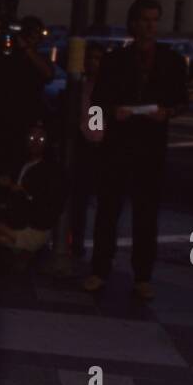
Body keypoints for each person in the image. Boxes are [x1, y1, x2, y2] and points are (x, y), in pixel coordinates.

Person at [83, 0, 188, 300]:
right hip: (118, 146)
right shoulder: (115, 60)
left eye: (154, 20)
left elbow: (181, 101)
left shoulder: (170, 60)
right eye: (144, 20)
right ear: (133, 23)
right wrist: (112, 111)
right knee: (108, 210)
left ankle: (143, 275)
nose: (150, 26)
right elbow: (98, 100)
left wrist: (166, 113)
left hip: (151, 147)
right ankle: (100, 269)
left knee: (146, 214)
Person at [0, 14, 54, 183]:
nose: (34, 40)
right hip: (2, 119)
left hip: (26, 119)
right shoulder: (7, 55)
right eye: (31, 35)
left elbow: (48, 74)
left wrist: (26, 49)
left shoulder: (37, 58)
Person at [0, 121, 65, 268]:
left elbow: (47, 203)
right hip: (20, 221)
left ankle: (26, 251)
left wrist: (20, 191)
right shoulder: (23, 163)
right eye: (31, 138)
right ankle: (21, 251)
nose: (35, 143)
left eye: (40, 139)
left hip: (36, 228)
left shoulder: (51, 170)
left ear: (47, 142)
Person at [71, 40, 105, 259]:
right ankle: (76, 243)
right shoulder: (80, 87)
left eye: (97, 58)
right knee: (79, 199)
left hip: (101, 147)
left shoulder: (107, 88)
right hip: (84, 145)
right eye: (89, 58)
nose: (93, 63)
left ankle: (99, 250)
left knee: (102, 202)